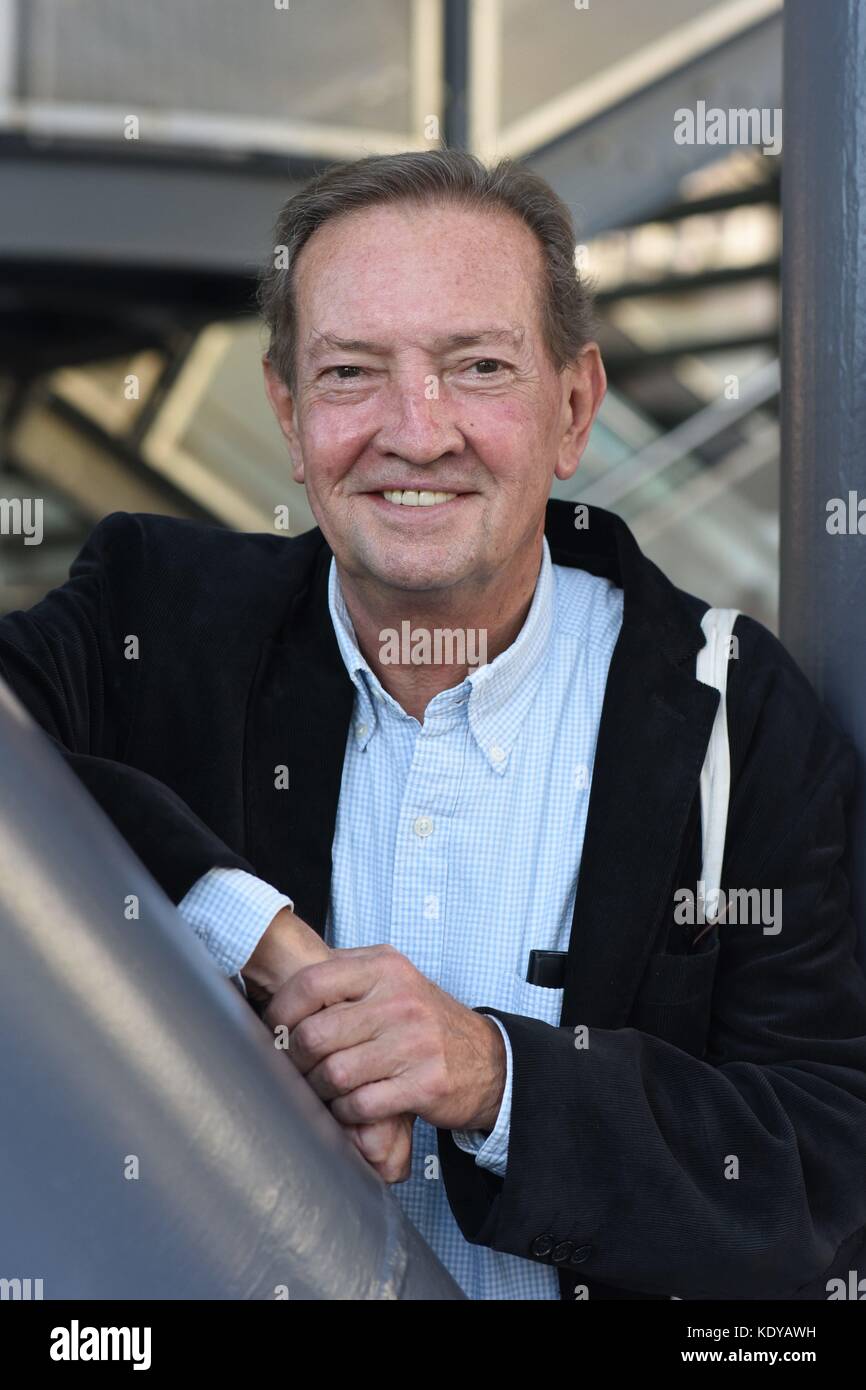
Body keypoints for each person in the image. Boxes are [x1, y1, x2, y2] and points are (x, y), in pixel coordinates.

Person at [1, 150, 865, 1301]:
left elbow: (825, 1168)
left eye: (477, 367)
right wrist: (251, 935)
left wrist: (496, 1078)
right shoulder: (148, 613)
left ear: (572, 408)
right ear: (289, 412)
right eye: (352, 372)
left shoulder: (728, 712)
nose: (417, 430)